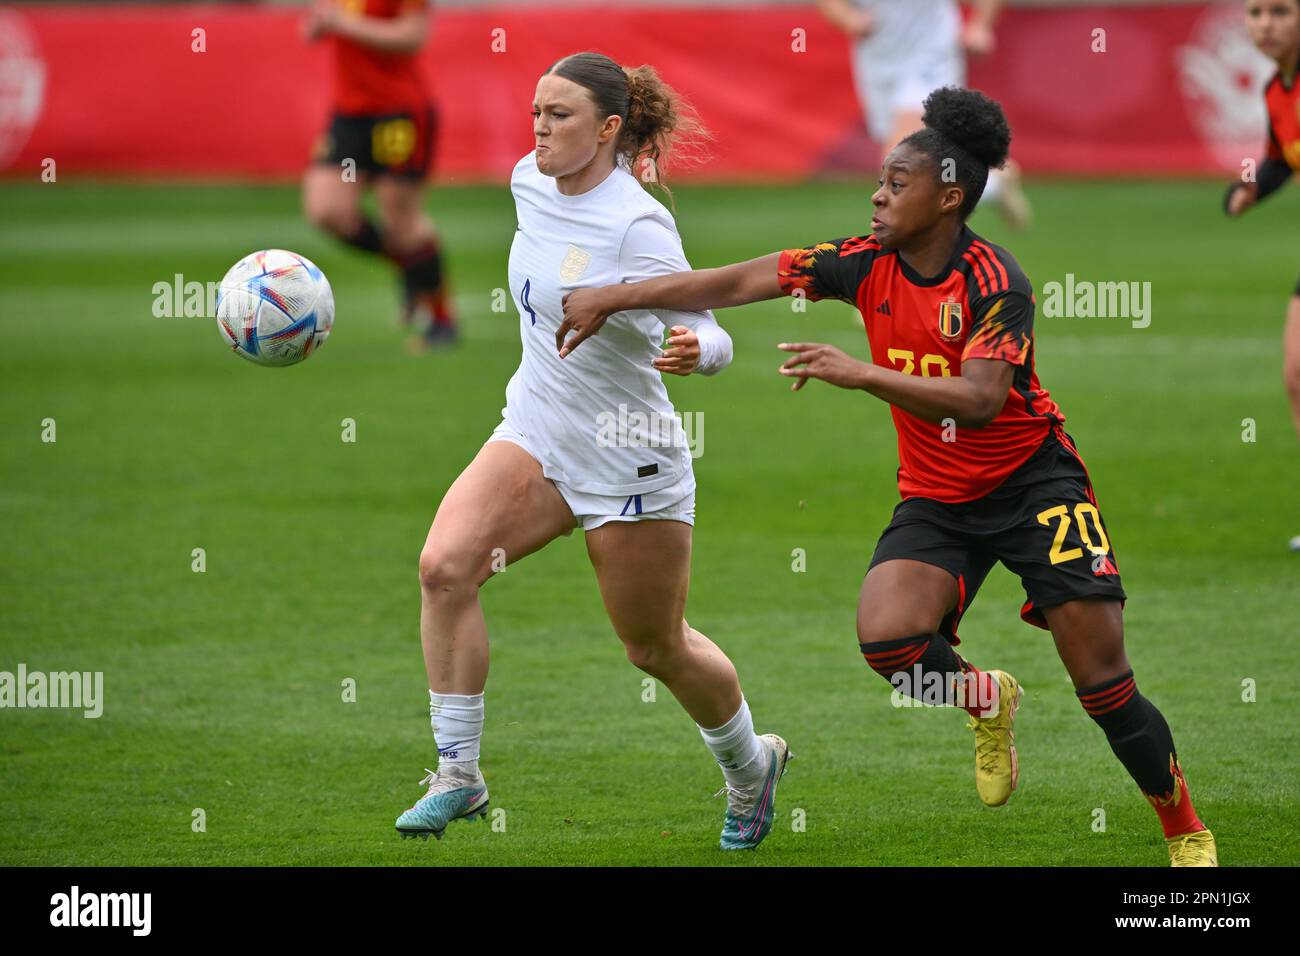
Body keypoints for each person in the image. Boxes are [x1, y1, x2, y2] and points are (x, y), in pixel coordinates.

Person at [560, 87, 1217, 866]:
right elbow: (738, 282)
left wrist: (860, 373)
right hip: (939, 497)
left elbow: (980, 401)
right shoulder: (862, 262)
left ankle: (1186, 831)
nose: (877, 194)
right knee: (891, 644)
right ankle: (984, 696)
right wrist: (615, 296)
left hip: (1034, 486)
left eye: (895, 185)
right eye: (879, 180)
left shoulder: (995, 282)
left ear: (948, 197)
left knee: (1102, 683)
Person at [395, 52, 789, 850]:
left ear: (609, 129)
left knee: (654, 647)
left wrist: (692, 351)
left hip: (627, 458)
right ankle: (458, 775)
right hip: (536, 430)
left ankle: (751, 768)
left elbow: (710, 327)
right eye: (536, 110)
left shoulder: (636, 222)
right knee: (444, 567)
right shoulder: (526, 182)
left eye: (560, 115)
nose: (539, 126)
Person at [301, 0, 458, 348]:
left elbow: (412, 36)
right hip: (349, 114)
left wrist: (342, 24)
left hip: (398, 111)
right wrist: (319, 25)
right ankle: (410, 268)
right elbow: (317, 24)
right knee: (327, 210)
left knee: (401, 221)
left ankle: (441, 320)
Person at [816, 0, 1032, 229]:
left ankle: (906, 246)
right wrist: (848, 18)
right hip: (878, 59)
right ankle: (991, 184)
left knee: (900, 157)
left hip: (930, 55)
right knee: (915, 159)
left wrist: (981, 26)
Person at [1224, 0, 1300, 551]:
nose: (1266, 24)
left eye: (1281, 11)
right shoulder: (1277, 90)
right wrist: (1250, 185)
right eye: (1255, 12)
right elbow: (1278, 159)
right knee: (1297, 375)